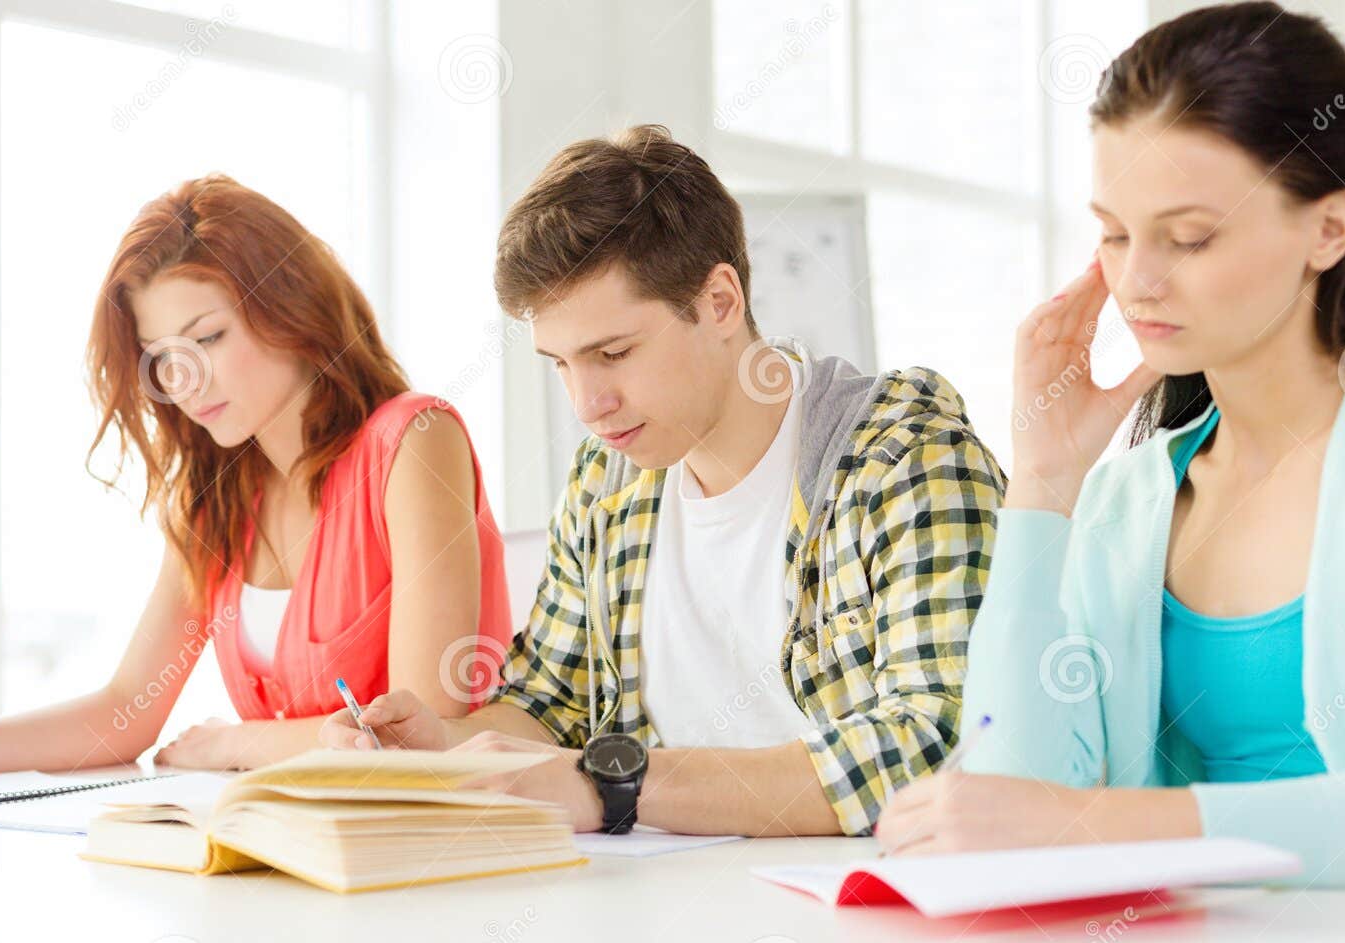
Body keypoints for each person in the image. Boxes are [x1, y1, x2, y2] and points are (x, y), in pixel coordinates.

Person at [322, 126, 1005, 838]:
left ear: (719, 301)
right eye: (560, 363)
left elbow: (937, 744)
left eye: (613, 352)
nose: (587, 405)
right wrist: (443, 749)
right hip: (654, 918)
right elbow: (555, 702)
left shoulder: (904, 462)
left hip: (865, 921)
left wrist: (617, 784)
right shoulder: (610, 479)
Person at [877, 2, 1345, 886]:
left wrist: (1109, 825)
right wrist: (1046, 483)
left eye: (1190, 237)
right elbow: (1019, 798)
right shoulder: (1129, 499)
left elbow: (1064, 820)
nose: (1138, 280)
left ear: (1330, 227)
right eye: (1115, 233)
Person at [0, 175, 510, 785]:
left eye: (208, 338)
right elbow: (126, 709)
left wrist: (234, 743)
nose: (183, 380)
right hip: (288, 863)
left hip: (426, 870)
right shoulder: (219, 503)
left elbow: (419, 737)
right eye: (162, 358)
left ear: (292, 305)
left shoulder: (414, 443)